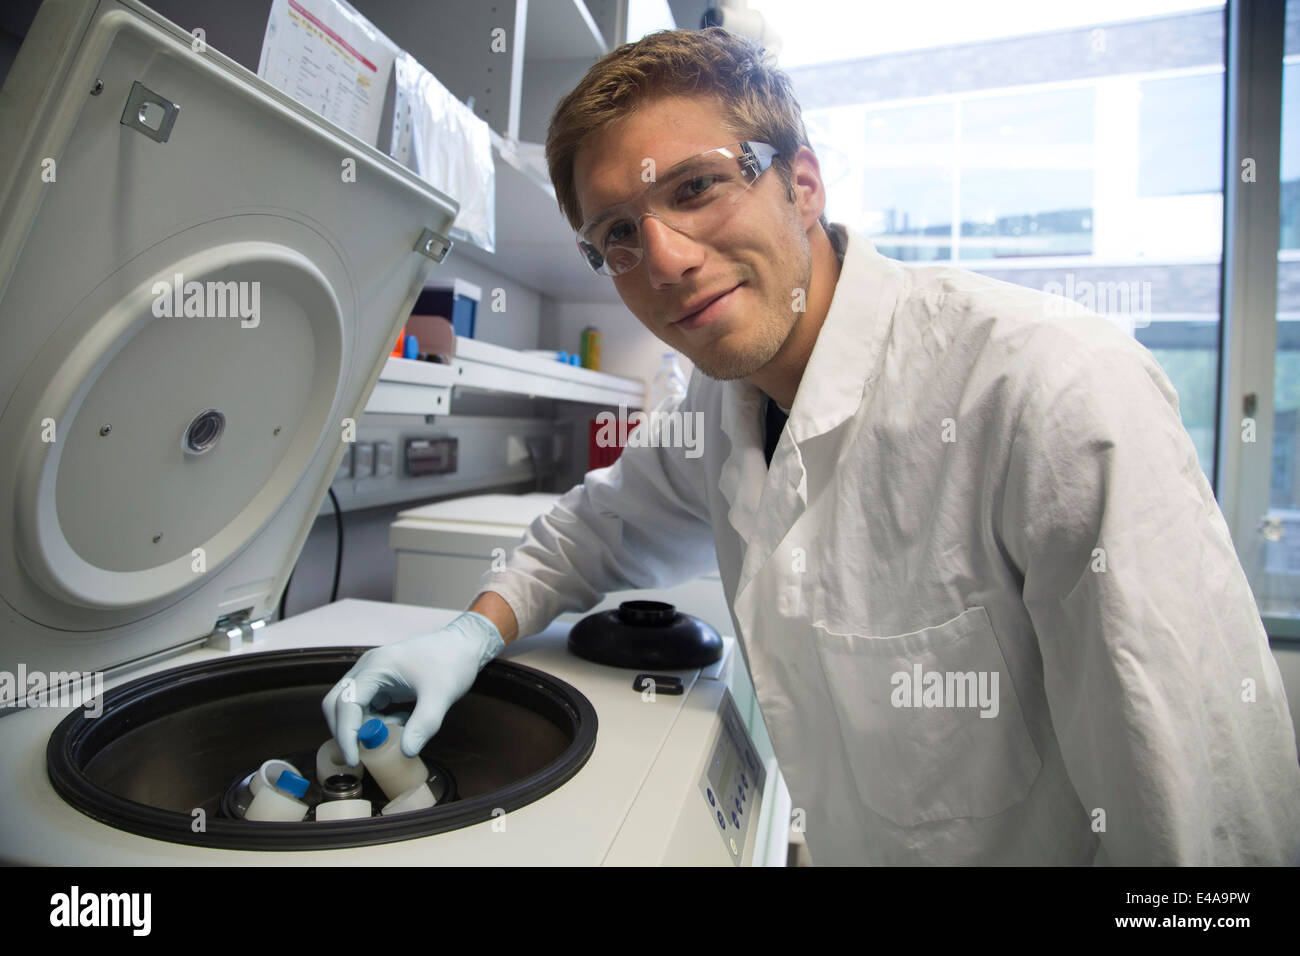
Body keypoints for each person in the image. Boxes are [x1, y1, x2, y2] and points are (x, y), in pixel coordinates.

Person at [324, 27, 1300, 865]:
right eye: (618, 232)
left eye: (699, 185)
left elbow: (1207, 836)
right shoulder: (724, 409)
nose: (663, 258)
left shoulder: (1049, 390)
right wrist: (471, 630)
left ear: (802, 183)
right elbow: (590, 532)